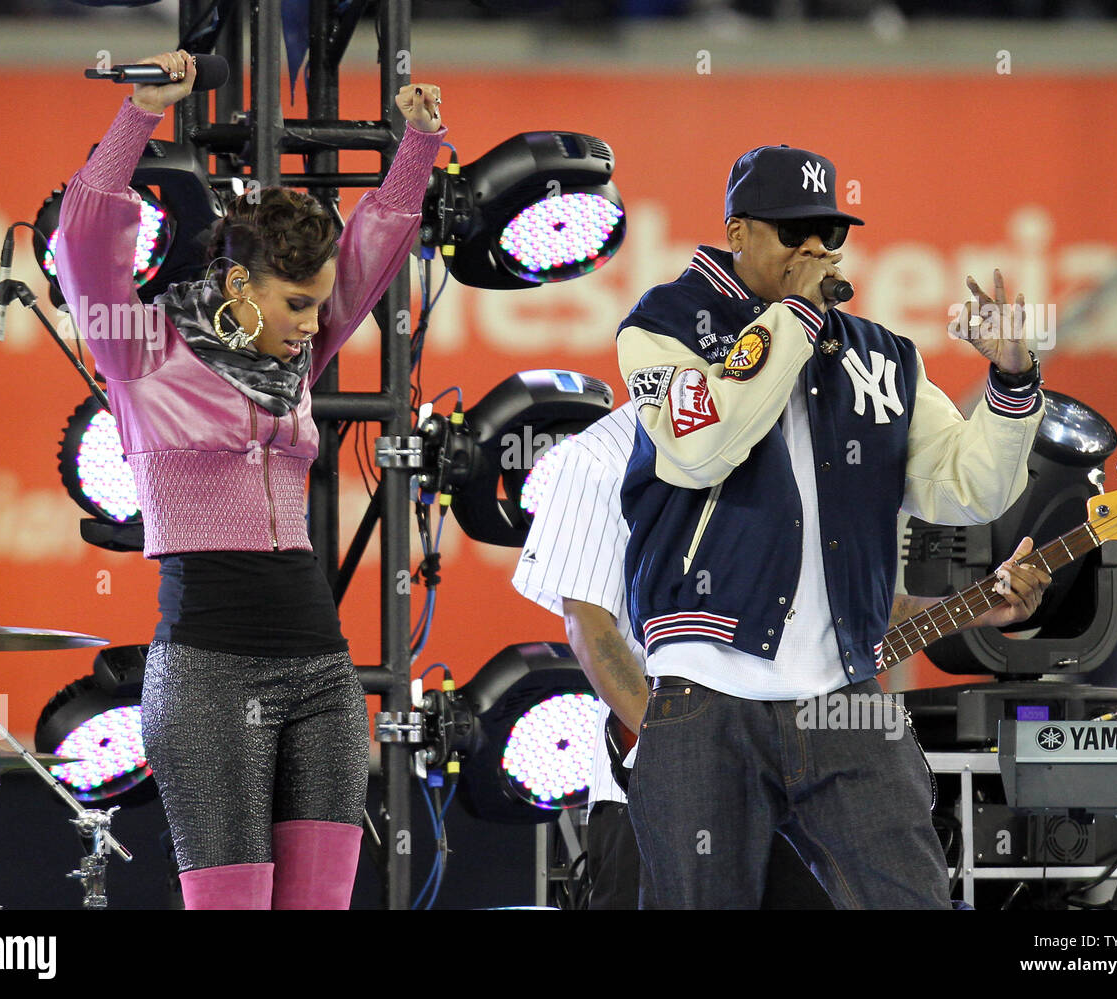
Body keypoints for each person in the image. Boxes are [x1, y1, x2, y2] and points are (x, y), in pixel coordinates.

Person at [55, 50, 446, 909]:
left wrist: (417, 143)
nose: (314, 326)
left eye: (317, 308)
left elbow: (368, 260)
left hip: (320, 671)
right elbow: (82, 246)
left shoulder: (291, 363)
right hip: (208, 671)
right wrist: (141, 115)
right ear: (238, 284)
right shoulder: (144, 350)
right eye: (296, 305)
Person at [615, 144, 1048, 909]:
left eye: (829, 233)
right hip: (706, 691)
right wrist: (794, 320)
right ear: (738, 230)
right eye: (793, 232)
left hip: (844, 690)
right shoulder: (665, 325)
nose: (815, 249)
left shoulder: (880, 355)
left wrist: (1011, 387)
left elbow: (964, 486)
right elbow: (698, 449)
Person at [514, 403, 1050, 909]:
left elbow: (840, 605)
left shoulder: (797, 444)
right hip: (667, 787)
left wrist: (975, 607)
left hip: (809, 780)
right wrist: (674, 749)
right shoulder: (600, 453)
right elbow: (589, 625)